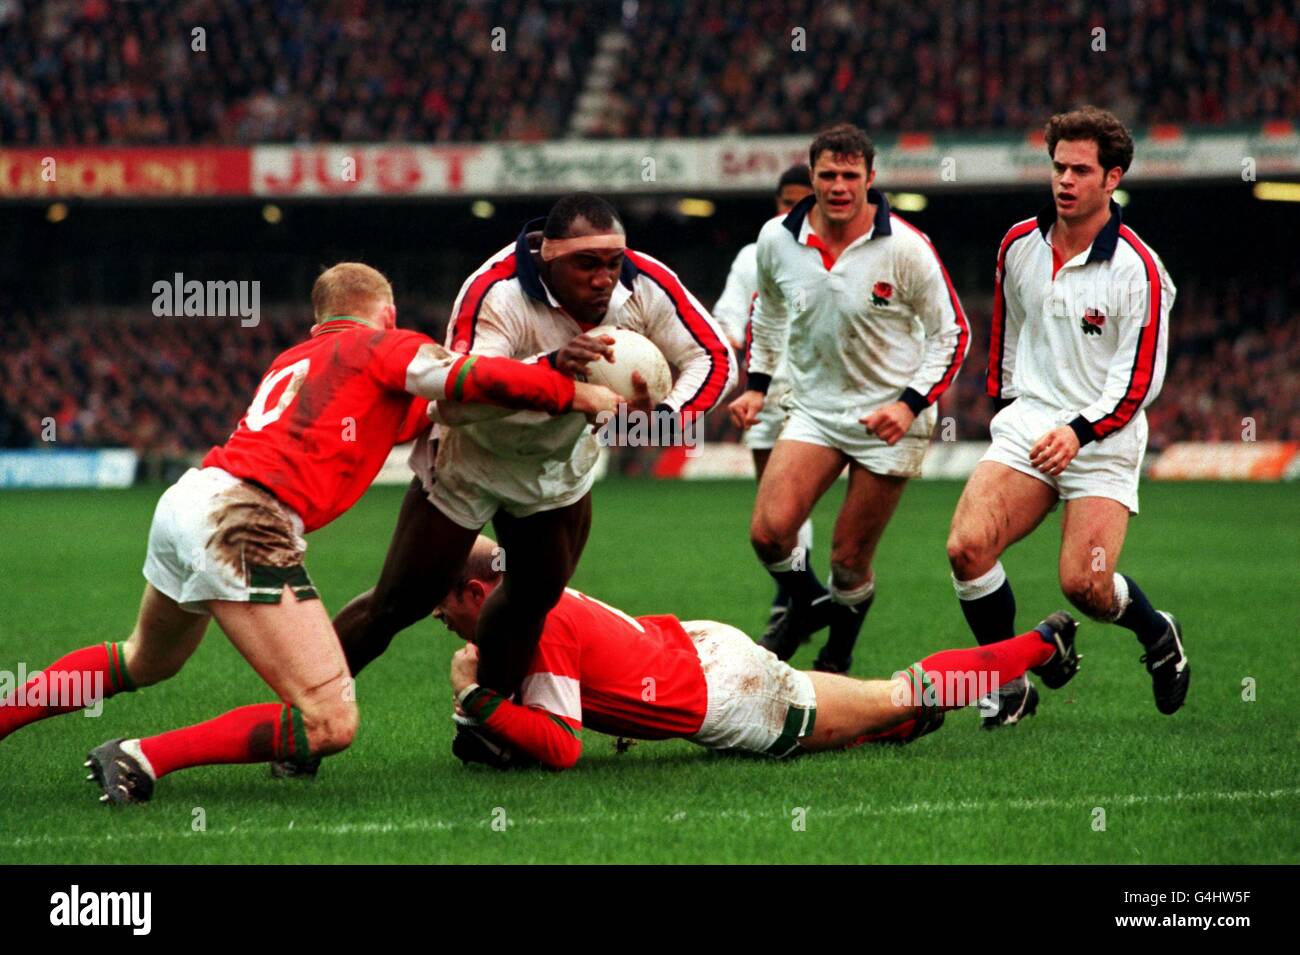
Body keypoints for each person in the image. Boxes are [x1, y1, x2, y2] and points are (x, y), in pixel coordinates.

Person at [0, 263, 621, 803]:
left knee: (144, 658)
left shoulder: (297, 356)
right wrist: (568, 392)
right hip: (244, 521)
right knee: (329, 722)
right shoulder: (381, 345)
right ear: (388, 313)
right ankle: (141, 756)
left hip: (190, 498)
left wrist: (484, 407)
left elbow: (421, 412)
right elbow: (462, 378)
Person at [331, 193, 735, 699]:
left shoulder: (645, 282)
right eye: (585, 264)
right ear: (546, 253)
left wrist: (664, 421)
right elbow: (458, 397)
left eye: (612, 264)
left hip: (557, 469)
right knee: (400, 603)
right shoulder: (495, 291)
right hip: (471, 460)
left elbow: (714, 357)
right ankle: (305, 712)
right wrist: (551, 369)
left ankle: (492, 723)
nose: (603, 278)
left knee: (530, 599)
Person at [946, 106, 1187, 727]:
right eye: (1059, 167)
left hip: (1101, 440)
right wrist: (1007, 412)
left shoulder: (1141, 271)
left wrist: (1079, 431)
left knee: (1086, 586)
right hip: (1032, 425)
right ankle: (1008, 682)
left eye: (1081, 169)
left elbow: (1138, 383)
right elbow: (1006, 332)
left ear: (1113, 178)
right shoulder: (1017, 245)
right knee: (967, 548)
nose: (1065, 180)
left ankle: (1157, 630)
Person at [439, 537, 1079, 770]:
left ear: (475, 590)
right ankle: (907, 724)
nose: (440, 618)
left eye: (444, 605)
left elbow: (560, 747)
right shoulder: (530, 596)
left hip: (724, 692)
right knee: (877, 711)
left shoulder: (533, 620)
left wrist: (474, 697)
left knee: (892, 693)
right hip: (699, 651)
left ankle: (1039, 645)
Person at [729, 123, 969, 673]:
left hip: (890, 417)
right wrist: (758, 387)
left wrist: (908, 404)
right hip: (815, 409)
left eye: (850, 175)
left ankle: (837, 656)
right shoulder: (776, 239)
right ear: (811, 177)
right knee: (768, 534)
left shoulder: (905, 247)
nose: (839, 185)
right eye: (828, 174)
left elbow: (952, 333)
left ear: (870, 178)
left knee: (847, 559)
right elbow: (766, 314)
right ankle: (810, 602)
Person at [712, 163, 817, 643]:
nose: (793, 209)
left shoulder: (830, 253)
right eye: (785, 201)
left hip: (821, 391)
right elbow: (730, 318)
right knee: (776, 503)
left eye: (802, 200)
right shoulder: (753, 255)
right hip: (766, 390)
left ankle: (796, 599)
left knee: (796, 500)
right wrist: (722, 347)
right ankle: (802, 593)